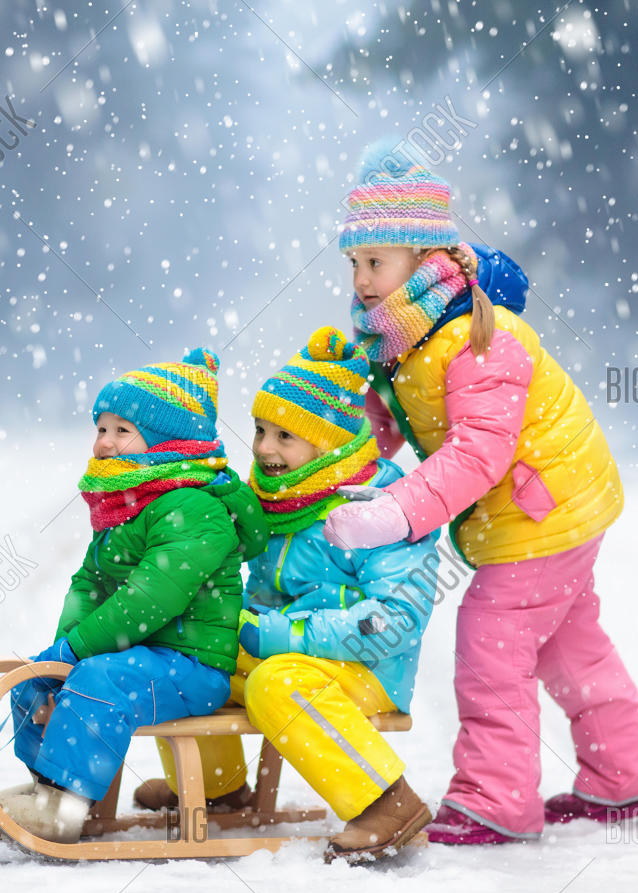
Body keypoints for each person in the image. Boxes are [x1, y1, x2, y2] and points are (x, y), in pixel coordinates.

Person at [323, 142, 638, 844]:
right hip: (551, 507)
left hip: (543, 508)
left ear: (424, 264)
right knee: (569, 645)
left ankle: (498, 798)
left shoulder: (481, 337)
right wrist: (333, 452)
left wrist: (396, 513)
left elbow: (478, 452)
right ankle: (627, 778)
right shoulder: (406, 340)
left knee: (493, 640)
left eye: (375, 263)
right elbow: (395, 425)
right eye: (356, 264)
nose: (361, 281)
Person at [134, 327, 441, 862]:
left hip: (368, 669)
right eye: (259, 430)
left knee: (277, 682)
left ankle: (385, 800)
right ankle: (218, 788)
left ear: (329, 443)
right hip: (287, 651)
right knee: (187, 653)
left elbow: (395, 619)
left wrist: (280, 633)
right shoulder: (278, 503)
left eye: (284, 436)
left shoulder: (381, 508)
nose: (264, 448)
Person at [0, 347, 269, 844]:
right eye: (102, 428)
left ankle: (66, 807)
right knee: (35, 677)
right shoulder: (123, 506)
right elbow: (88, 584)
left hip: (192, 666)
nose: (104, 443)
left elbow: (151, 598)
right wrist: (60, 649)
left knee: (97, 679)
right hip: (141, 654)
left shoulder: (194, 507)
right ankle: (46, 788)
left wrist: (77, 651)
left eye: (121, 431)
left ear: (168, 443)